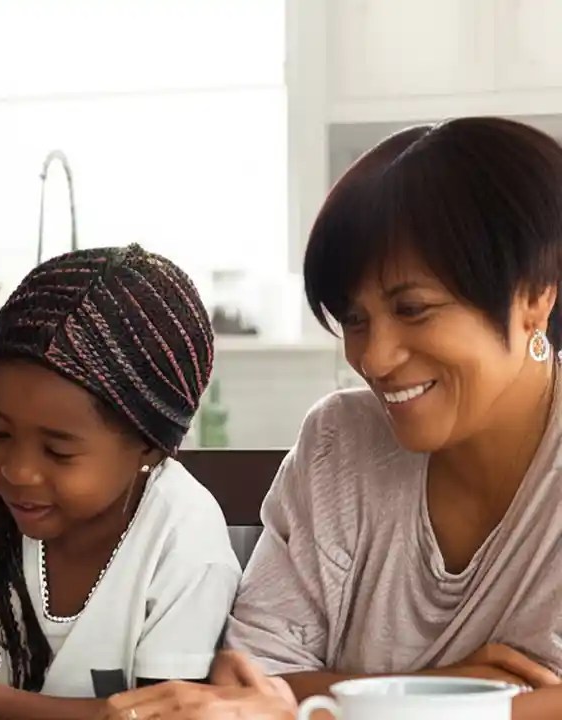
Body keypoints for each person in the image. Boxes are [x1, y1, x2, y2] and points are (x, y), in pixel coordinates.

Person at [221, 117, 562, 719]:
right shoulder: (339, 443)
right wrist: (446, 692)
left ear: (536, 295)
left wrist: (345, 697)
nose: (373, 358)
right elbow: (247, 680)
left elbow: (279, 703)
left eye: (414, 309)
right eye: (355, 320)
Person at [0, 245, 244, 719]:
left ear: (149, 447)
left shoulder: (183, 538)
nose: (17, 470)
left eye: (58, 451)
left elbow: (168, 714)